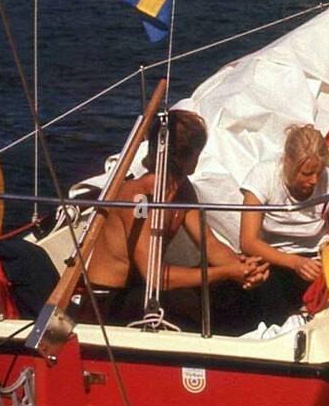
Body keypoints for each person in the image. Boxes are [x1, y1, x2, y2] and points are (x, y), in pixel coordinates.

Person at [82, 108, 268, 331]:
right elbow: (155, 276)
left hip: (143, 289)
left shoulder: (182, 190)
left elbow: (209, 243)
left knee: (237, 291)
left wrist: (243, 269)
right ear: (187, 156)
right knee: (192, 301)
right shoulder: (139, 200)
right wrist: (225, 272)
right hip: (110, 301)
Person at [239, 125, 329, 327]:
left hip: (317, 257)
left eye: (319, 172)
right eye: (306, 173)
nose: (314, 180)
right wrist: (294, 262)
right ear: (287, 162)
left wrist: (328, 253)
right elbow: (248, 241)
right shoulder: (264, 176)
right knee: (259, 285)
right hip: (273, 256)